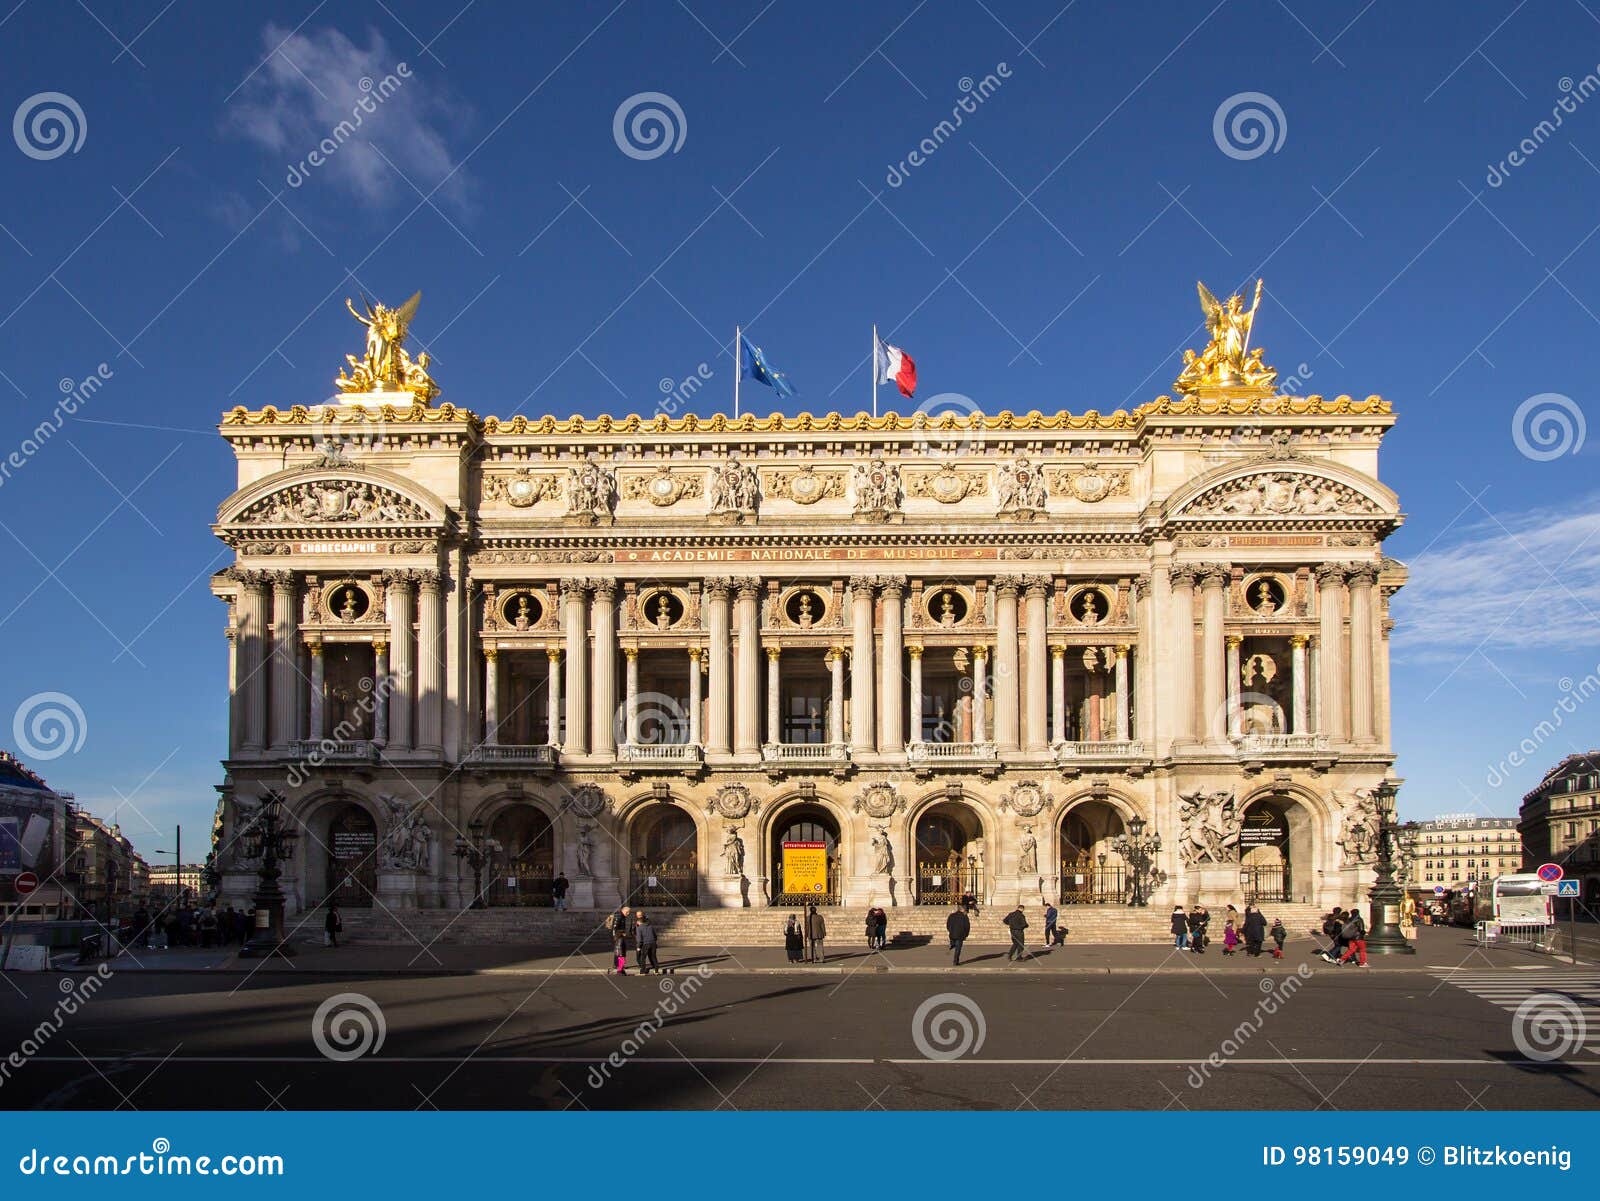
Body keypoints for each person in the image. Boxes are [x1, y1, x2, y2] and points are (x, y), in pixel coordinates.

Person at [607, 905, 631, 974]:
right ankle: (620, 968)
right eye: (627, 912)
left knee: (618, 952)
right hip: (618, 937)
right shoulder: (619, 916)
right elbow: (614, 928)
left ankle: (618, 966)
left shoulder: (622, 916)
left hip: (620, 936)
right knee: (621, 952)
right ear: (623, 910)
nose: (628, 914)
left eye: (629, 912)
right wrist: (615, 937)